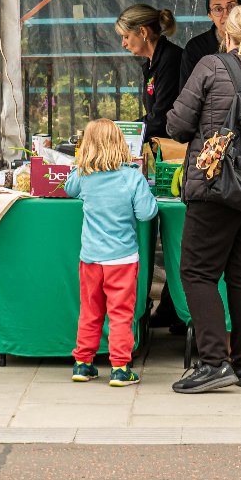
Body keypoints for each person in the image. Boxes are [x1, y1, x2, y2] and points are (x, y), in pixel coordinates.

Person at [165, 3, 241, 394]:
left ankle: (214, 362)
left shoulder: (211, 65)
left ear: (227, 34)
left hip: (216, 187)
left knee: (198, 272)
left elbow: (178, 126)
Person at [64, 118, 159, 387]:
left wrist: (78, 164)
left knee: (90, 311)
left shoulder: (84, 176)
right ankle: (120, 368)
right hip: (123, 259)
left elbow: (70, 188)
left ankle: (83, 363)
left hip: (91, 258)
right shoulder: (131, 176)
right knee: (120, 314)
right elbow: (146, 212)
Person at [116, 3, 184, 144]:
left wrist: (120, 131)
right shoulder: (151, 63)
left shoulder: (170, 59)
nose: (123, 44)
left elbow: (161, 117)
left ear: (143, 32)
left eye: (126, 37)